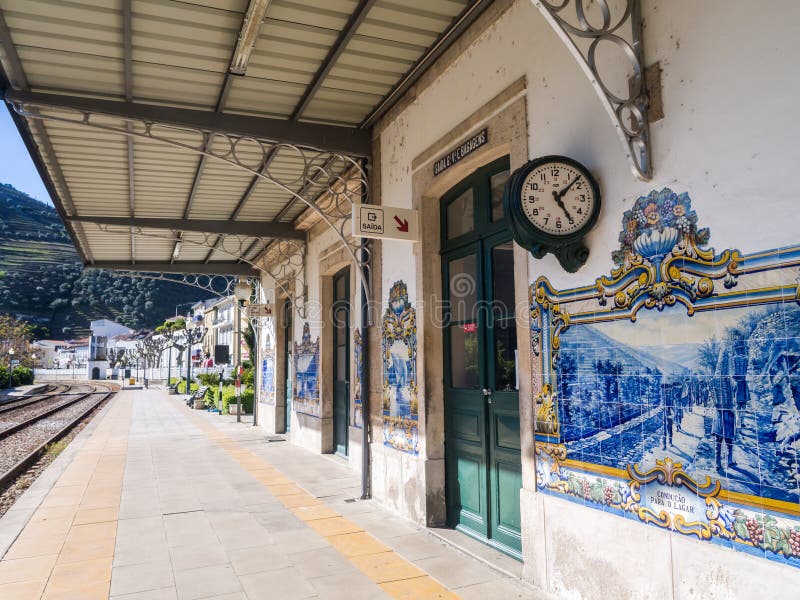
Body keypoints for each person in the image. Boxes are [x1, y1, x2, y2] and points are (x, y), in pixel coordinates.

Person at [711, 343, 737, 470]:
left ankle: (717, 464)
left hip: (717, 413)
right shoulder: (731, 381)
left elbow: (713, 396)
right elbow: (734, 395)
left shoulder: (714, 380)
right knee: (729, 441)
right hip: (728, 413)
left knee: (718, 441)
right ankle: (729, 461)